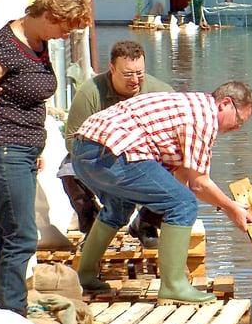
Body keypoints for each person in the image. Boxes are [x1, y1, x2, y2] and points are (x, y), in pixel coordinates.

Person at [0, 0, 93, 316]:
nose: (66, 36)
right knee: (21, 235)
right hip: (2, 147)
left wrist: (36, 149)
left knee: (8, 232)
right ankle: (13, 314)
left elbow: (27, 98)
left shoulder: (38, 42)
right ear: (49, 14)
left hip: (23, 150)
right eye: (65, 27)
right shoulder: (6, 45)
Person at [70, 83, 252, 303]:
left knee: (118, 209)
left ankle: (85, 276)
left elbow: (180, 179)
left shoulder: (190, 105)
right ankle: (173, 285)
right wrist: (231, 208)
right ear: (225, 103)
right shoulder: (204, 119)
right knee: (184, 204)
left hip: (84, 149)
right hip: (111, 151)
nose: (237, 128)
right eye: (239, 121)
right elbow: (199, 185)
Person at [59, 40, 173, 246]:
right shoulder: (90, 92)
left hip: (146, 159)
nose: (135, 80)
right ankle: (92, 226)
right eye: (128, 74)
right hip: (101, 157)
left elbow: (174, 140)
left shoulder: (162, 92)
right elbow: (71, 141)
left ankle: (146, 222)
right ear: (112, 69)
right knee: (68, 169)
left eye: (140, 73)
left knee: (178, 169)